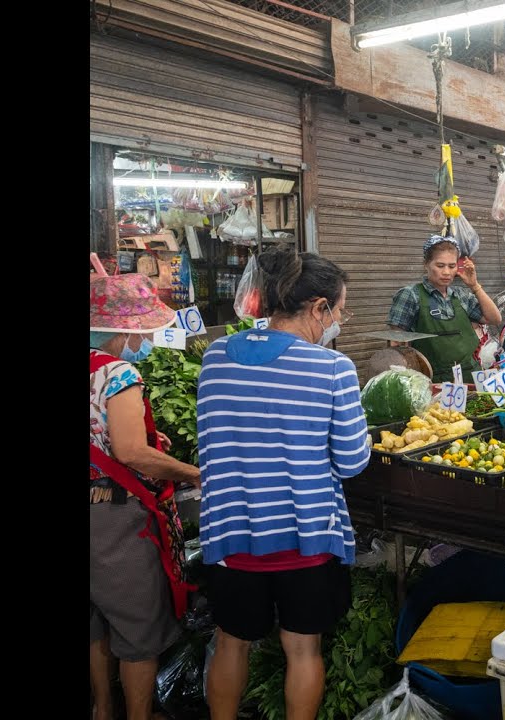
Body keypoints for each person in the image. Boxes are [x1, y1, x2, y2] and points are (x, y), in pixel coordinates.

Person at [199, 247, 371, 720]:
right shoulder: (332, 369)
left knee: (230, 642)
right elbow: (353, 462)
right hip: (304, 535)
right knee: (302, 649)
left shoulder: (214, 358)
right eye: (338, 310)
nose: (338, 320)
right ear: (318, 307)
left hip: (232, 536)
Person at [90, 274, 202, 720]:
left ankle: (101, 707)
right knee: (137, 632)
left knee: (96, 622)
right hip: (112, 518)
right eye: (147, 332)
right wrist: (193, 472)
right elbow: (132, 454)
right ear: (128, 330)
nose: (149, 340)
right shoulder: (117, 372)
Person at [388, 235, 503, 383]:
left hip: (469, 378)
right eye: (440, 266)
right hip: (431, 380)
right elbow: (395, 343)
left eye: (452, 266)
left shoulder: (462, 296)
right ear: (426, 264)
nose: (447, 272)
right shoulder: (411, 295)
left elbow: (494, 319)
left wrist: (474, 286)